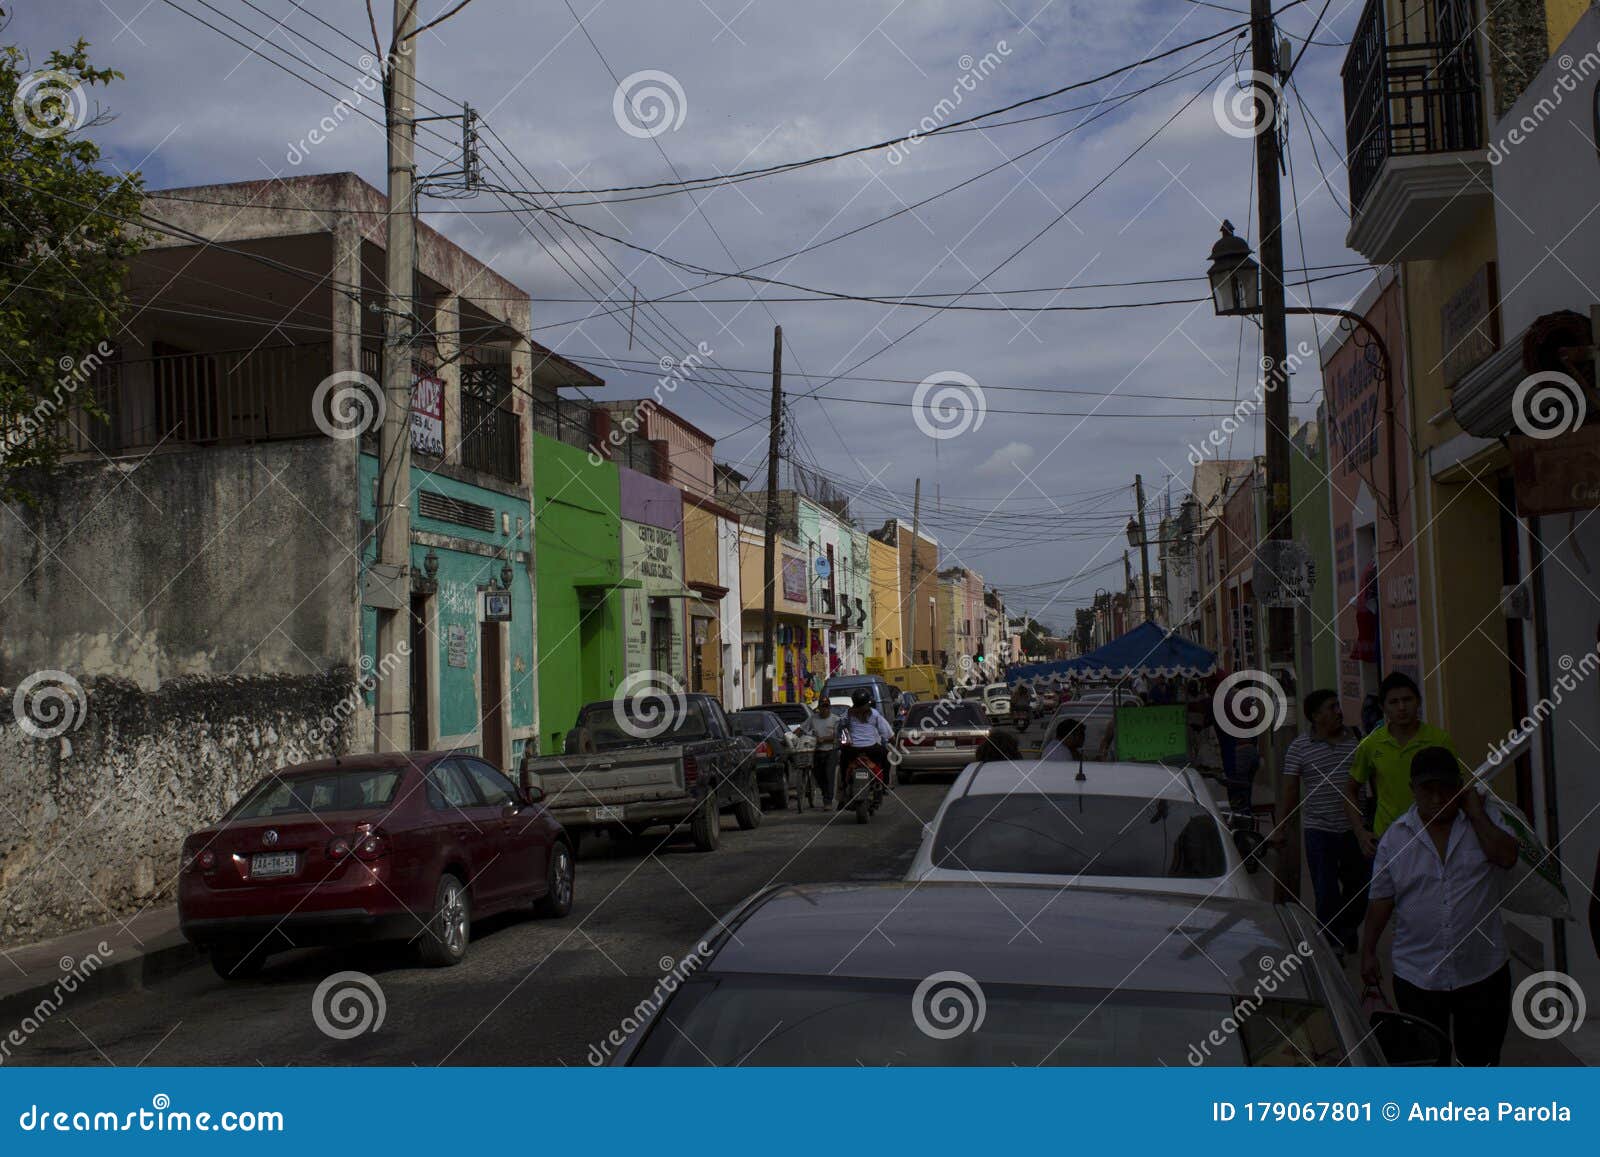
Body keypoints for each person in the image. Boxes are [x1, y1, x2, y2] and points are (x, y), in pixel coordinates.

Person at [1361, 746, 1520, 1065]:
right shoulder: (1395, 839)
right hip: (1418, 976)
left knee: (1482, 1063)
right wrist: (1367, 951)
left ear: (1460, 787)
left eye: (1445, 789)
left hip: (1482, 972)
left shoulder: (1485, 820)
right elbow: (1381, 900)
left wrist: (1475, 812)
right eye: (1427, 790)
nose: (1436, 798)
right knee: (1426, 1066)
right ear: (1413, 791)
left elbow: (1507, 857)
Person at [1279, 690, 1367, 954]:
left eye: (1338, 706)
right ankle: (1330, 946)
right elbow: (1291, 791)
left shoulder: (1358, 740)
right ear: (1315, 716)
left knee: (1360, 889)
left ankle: (1347, 928)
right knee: (1326, 892)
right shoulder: (1298, 748)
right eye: (1331, 707)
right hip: (1319, 830)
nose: (1338, 711)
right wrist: (1281, 827)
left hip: (1355, 829)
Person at [1348, 672, 1460, 853]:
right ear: (1382, 707)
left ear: (1418, 702)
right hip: (1387, 838)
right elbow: (1350, 790)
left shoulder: (1439, 739)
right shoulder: (1371, 744)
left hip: (1433, 836)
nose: (1402, 707)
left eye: (1407, 700)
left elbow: (1458, 786)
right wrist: (1361, 832)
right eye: (1393, 702)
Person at [837, 687, 892, 805]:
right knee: (886, 756)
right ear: (867, 701)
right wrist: (890, 738)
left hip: (853, 750)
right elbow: (885, 732)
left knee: (843, 760)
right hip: (871, 749)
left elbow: (840, 727)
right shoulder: (874, 713)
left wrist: (840, 738)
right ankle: (884, 784)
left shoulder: (848, 714)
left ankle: (843, 783)